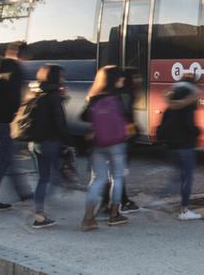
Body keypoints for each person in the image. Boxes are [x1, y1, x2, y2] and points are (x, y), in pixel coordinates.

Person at [0, 42, 33, 212]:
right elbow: (13, 98)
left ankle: (23, 193)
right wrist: (15, 118)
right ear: (22, 55)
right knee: (2, 159)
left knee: (6, 157)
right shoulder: (14, 69)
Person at [80, 66, 130, 230]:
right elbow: (125, 117)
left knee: (98, 179)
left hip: (98, 143)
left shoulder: (93, 97)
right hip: (117, 143)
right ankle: (114, 214)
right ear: (114, 80)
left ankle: (88, 218)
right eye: (121, 78)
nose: (123, 80)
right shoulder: (118, 97)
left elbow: (84, 116)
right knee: (117, 177)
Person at [25, 64, 71, 228]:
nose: (63, 79)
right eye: (61, 76)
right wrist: (68, 141)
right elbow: (60, 122)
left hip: (35, 143)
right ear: (55, 78)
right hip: (49, 142)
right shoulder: (54, 96)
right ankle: (39, 210)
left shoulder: (38, 92)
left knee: (43, 178)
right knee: (55, 179)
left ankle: (39, 211)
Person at [156, 75, 203, 221]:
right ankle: (184, 210)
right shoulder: (188, 108)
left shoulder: (170, 107)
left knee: (176, 176)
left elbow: (162, 128)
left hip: (172, 146)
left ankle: (159, 198)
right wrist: (198, 131)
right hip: (186, 147)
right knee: (186, 178)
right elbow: (190, 127)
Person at [101, 67, 141, 213]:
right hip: (120, 140)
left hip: (109, 139)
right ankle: (119, 205)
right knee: (118, 174)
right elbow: (127, 117)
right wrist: (132, 133)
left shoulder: (109, 93)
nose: (139, 80)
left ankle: (106, 202)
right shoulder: (125, 95)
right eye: (135, 77)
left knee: (111, 174)